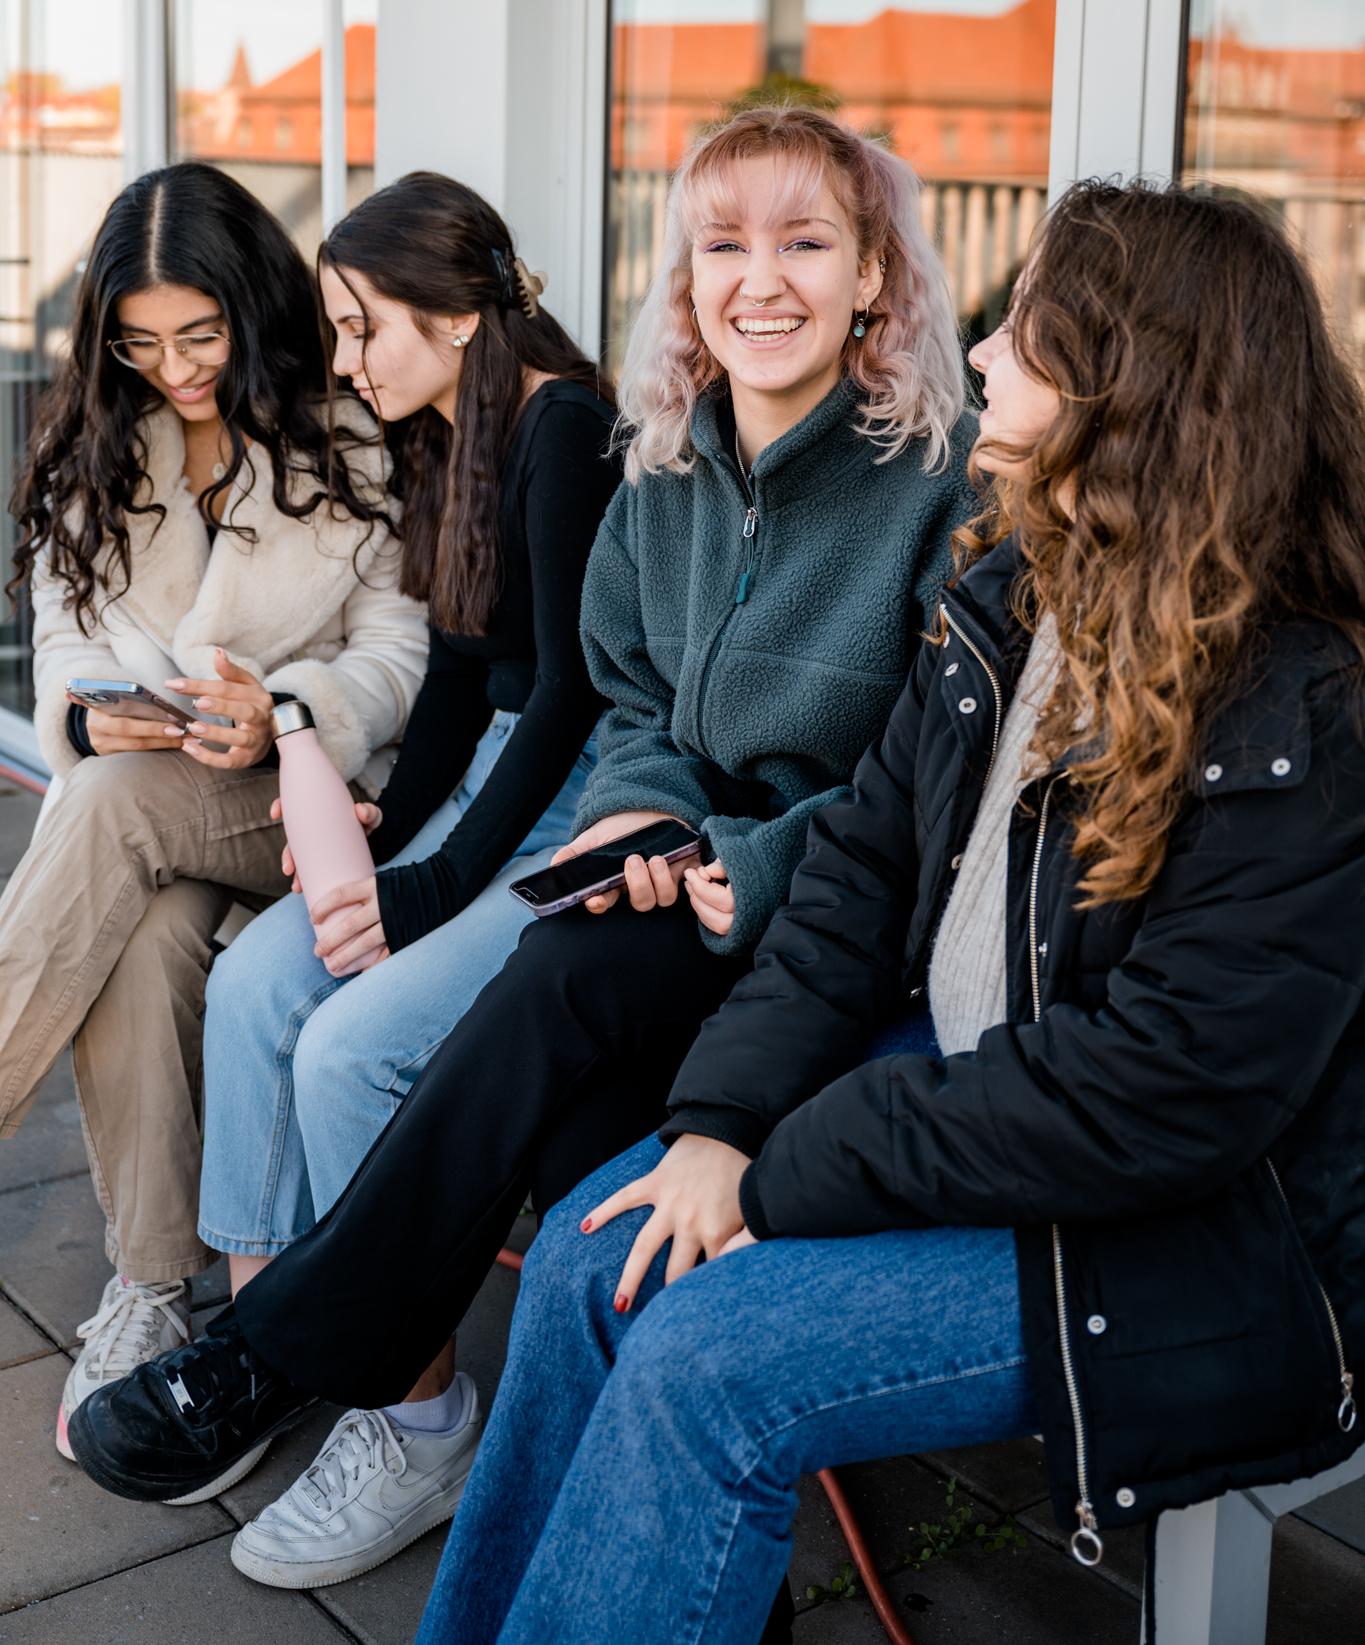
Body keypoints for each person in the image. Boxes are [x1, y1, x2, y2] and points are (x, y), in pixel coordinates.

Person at [404, 176, 1365, 1645]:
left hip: (1176, 1225)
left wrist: (786, 1170)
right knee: (597, 1253)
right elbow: (855, 875)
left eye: (1026, 335)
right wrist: (722, 1120)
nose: (980, 354)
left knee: (706, 1361)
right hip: (977, 1092)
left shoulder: (1303, 711)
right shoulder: (1020, 593)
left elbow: (1161, 1092)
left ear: (1138, 392)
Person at [65, 104, 980, 1594]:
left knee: (548, 977)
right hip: (668, 896)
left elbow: (923, 790)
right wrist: (636, 810)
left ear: (875, 276)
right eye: (725, 243)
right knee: (576, 1155)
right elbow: (626, 700)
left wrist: (744, 856)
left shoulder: (933, 486)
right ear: (685, 281)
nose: (763, 278)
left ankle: (280, 1346)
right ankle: (640, 1555)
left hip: (832, 928)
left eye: (807, 241)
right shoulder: (666, 471)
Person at [0, 164, 428, 1464]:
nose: (172, 365)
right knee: (149, 926)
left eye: (200, 332)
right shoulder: (98, 442)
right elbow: (62, 640)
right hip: (150, 803)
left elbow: (400, 646)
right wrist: (85, 715)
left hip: (310, 803)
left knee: (113, 816)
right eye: (140, 339)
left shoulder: (346, 439)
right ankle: (152, 1286)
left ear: (252, 306)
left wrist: (288, 704)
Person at [194, 172, 619, 1482]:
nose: (347, 358)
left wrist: (429, 886)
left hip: (571, 796)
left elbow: (567, 696)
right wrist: (392, 822)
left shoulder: (566, 430)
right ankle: (271, 1351)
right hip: (494, 783)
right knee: (253, 980)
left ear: (454, 313)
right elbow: (452, 678)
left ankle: (419, 1423)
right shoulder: (446, 433)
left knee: (342, 1051)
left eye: (362, 324)